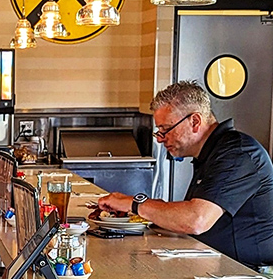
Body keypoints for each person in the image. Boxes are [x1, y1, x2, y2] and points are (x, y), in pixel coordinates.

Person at [97, 80, 273, 269]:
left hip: (247, 273)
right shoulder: (212, 152)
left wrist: (135, 204)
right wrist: (133, 206)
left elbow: (195, 220)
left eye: (166, 130)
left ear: (195, 121)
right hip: (212, 262)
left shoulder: (237, 154)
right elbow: (186, 212)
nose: (161, 139)